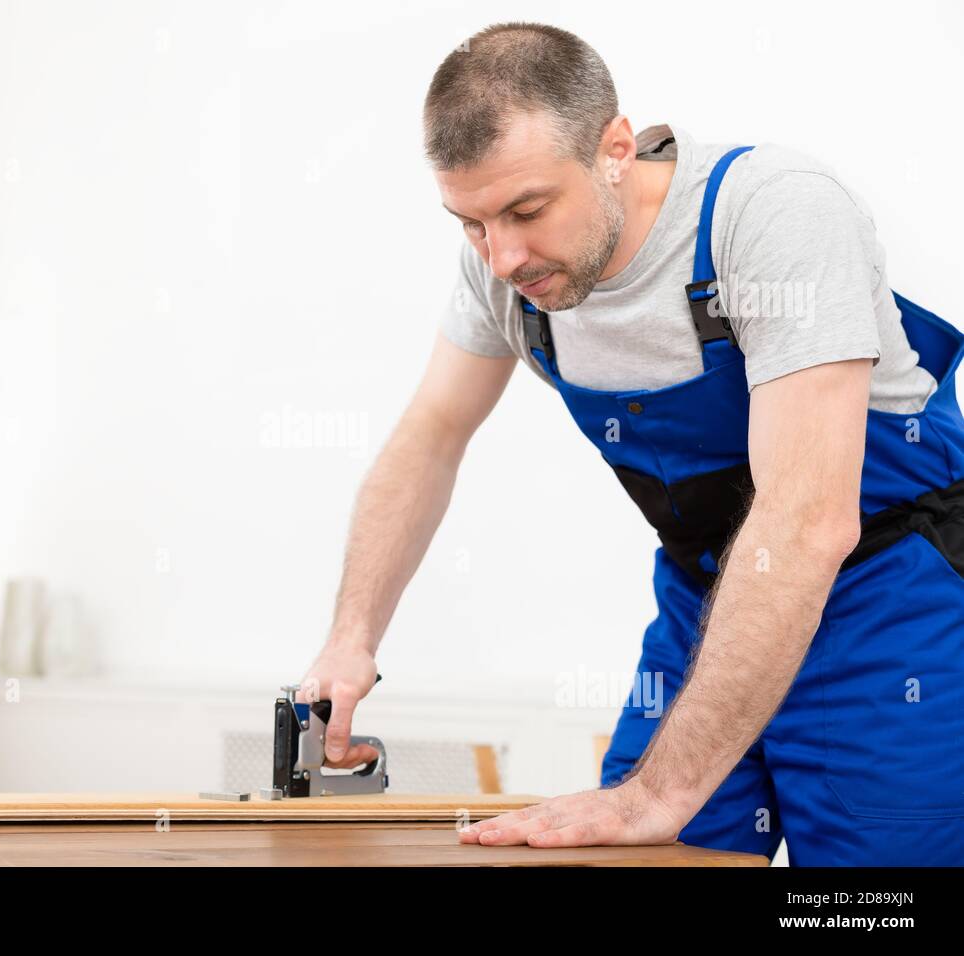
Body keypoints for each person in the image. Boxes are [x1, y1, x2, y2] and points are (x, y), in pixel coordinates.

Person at [299, 21, 964, 866]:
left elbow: (806, 522)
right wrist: (351, 637)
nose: (501, 256)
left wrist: (657, 793)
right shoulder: (507, 272)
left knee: (872, 906)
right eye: (470, 223)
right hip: (708, 609)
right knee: (626, 856)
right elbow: (429, 437)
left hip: (889, 612)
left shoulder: (772, 214)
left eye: (527, 211)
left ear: (616, 147)